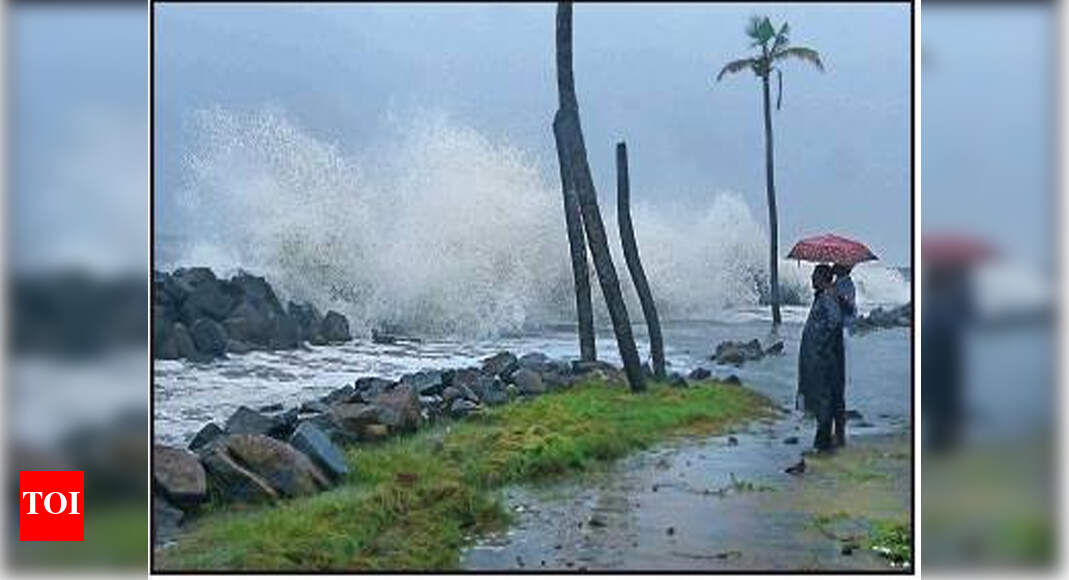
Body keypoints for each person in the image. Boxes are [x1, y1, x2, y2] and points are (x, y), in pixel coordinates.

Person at [797, 264, 844, 452]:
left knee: (824, 397)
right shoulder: (823, 297)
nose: (811, 279)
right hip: (820, 356)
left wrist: (822, 346)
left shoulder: (826, 297)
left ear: (821, 278)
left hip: (823, 358)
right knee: (823, 396)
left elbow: (835, 322)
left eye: (814, 275)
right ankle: (823, 438)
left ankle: (823, 442)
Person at [831, 263, 856, 446]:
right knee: (836, 384)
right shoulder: (842, 283)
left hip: (840, 334)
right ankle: (838, 430)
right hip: (841, 333)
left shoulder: (844, 285)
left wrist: (837, 297)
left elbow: (849, 309)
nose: (832, 266)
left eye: (836, 265)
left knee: (836, 383)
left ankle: (839, 432)